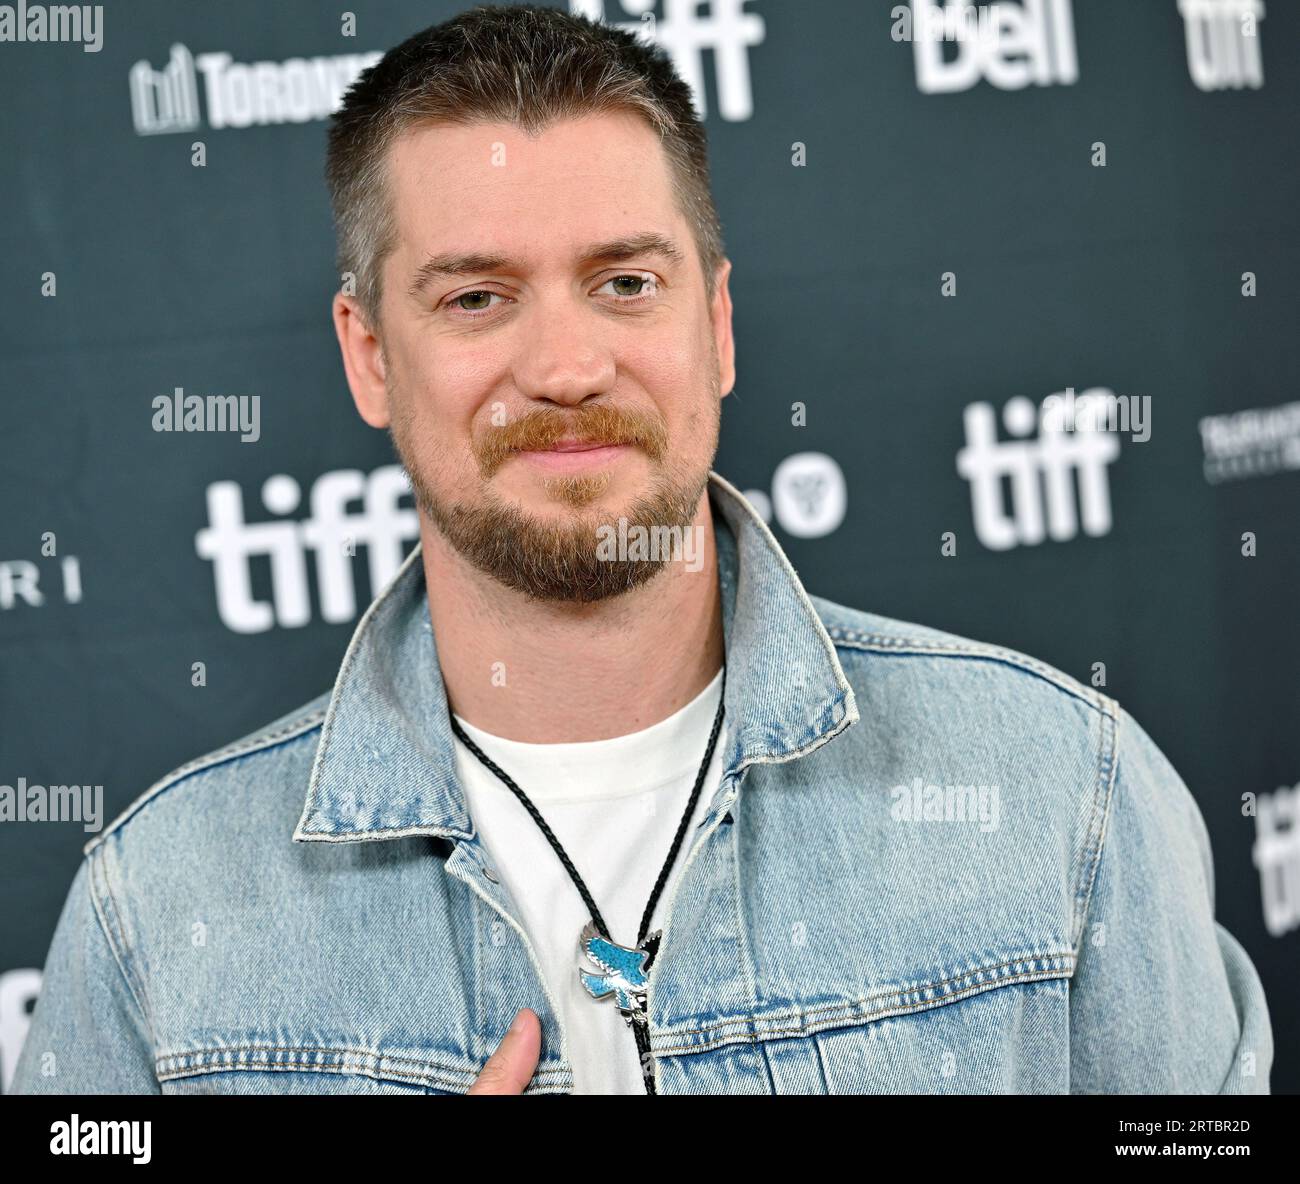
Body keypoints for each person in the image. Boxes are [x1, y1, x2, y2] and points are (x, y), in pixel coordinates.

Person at [13, 4, 1272, 1096]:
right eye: (475, 296)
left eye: (625, 283)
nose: (566, 368)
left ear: (716, 325)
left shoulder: (1067, 798)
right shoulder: (154, 924)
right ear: (368, 355)